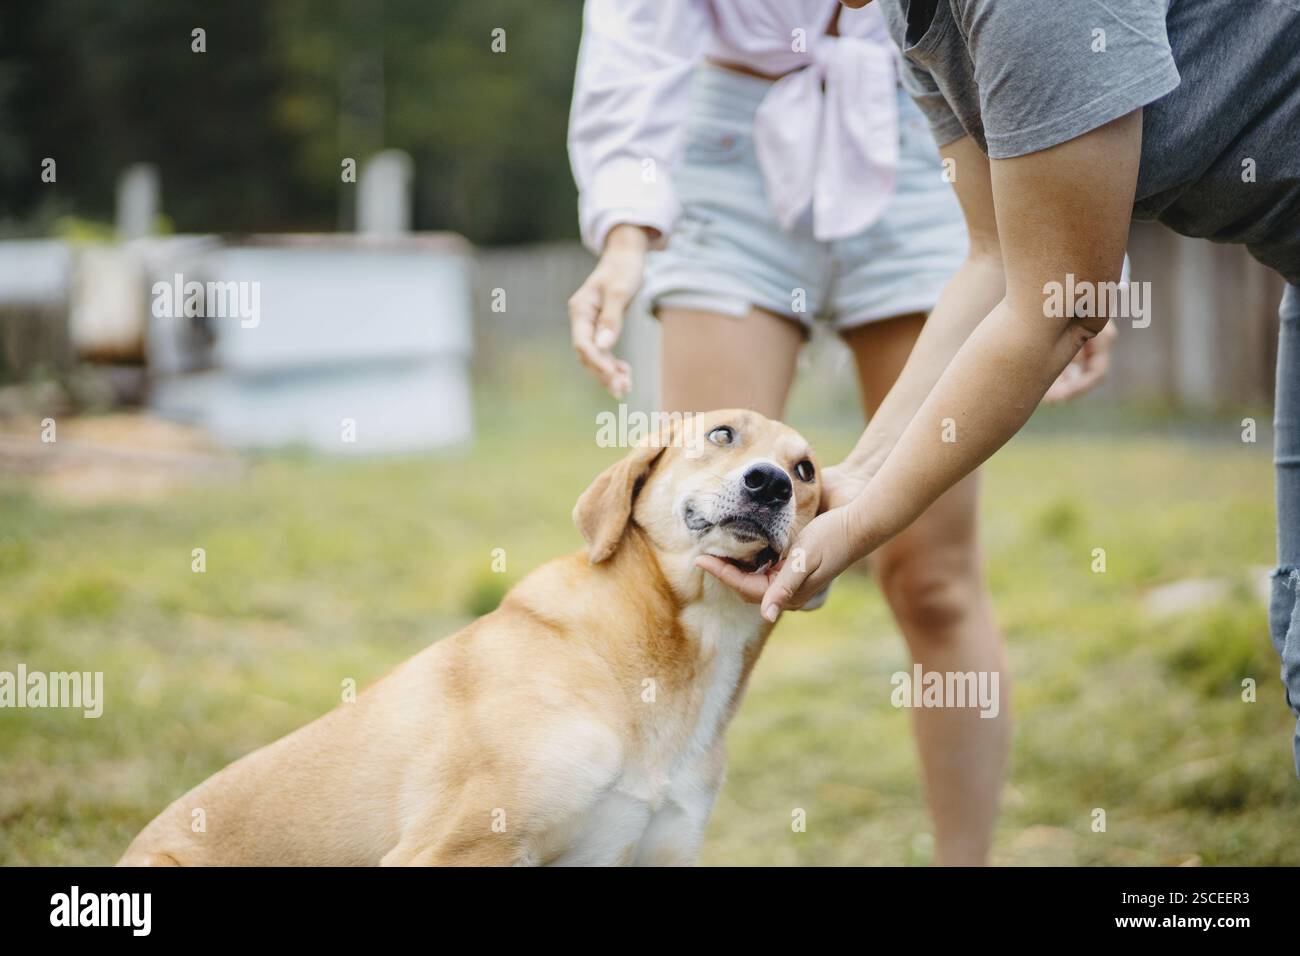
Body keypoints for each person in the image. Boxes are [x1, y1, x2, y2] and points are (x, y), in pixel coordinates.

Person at [566, 0, 1114, 863]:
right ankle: (625, 842)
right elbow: (635, 38)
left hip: (923, 133)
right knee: (697, 562)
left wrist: (1068, 255)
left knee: (932, 577)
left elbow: (1050, 52)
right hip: (727, 145)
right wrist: (627, 235)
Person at [699, 0, 1300, 773]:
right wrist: (860, 474)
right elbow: (995, 258)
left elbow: (1059, 307)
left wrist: (859, 529)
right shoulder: (906, 13)